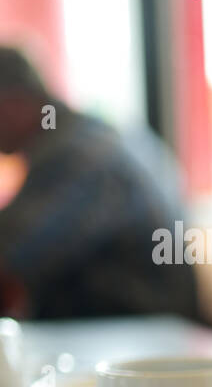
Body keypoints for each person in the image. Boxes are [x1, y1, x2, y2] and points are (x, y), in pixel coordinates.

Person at [0, 47, 199, 320]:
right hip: (137, 329)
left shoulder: (76, 154)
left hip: (136, 333)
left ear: (14, 103)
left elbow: (11, 249)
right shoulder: (84, 134)